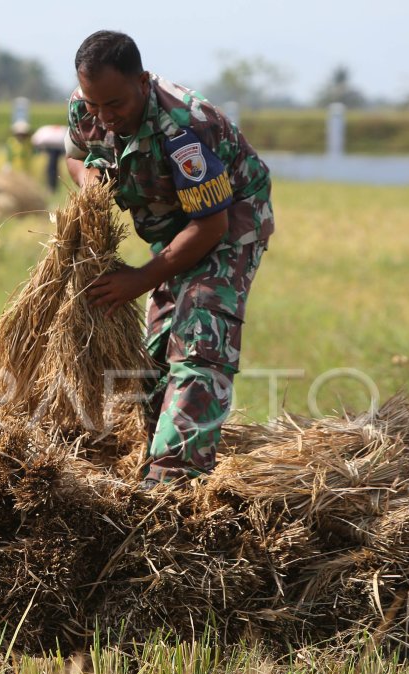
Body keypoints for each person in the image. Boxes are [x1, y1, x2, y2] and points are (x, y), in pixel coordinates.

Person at [66, 30, 275, 486]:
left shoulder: (186, 127)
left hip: (229, 223)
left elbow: (211, 226)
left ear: (142, 82)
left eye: (115, 104)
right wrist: (90, 186)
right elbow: (77, 155)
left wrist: (140, 280)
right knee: (157, 354)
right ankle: (151, 454)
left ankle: (172, 482)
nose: (105, 117)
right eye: (94, 104)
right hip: (172, 227)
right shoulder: (87, 106)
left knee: (199, 337)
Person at [31, 124, 68, 192]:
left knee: (52, 168)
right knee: (52, 168)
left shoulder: (43, 132)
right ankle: (52, 185)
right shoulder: (63, 132)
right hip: (56, 149)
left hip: (53, 150)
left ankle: (52, 186)